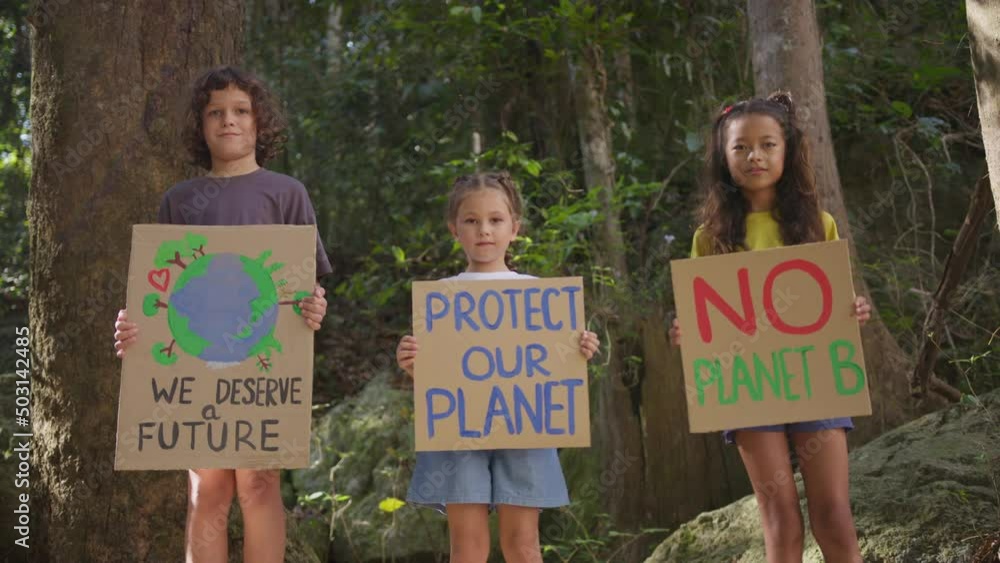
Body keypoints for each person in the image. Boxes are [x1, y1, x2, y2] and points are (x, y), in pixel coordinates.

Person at [112, 66, 331, 563]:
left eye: (241, 111)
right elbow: (160, 285)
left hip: (262, 361)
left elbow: (304, 284)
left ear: (260, 123)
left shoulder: (286, 192)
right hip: (197, 363)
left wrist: (315, 306)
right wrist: (132, 328)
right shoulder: (179, 200)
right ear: (200, 126)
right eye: (216, 113)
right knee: (208, 489)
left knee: (258, 483)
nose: (228, 121)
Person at [669, 92, 870, 563]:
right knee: (778, 516)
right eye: (740, 147)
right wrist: (689, 334)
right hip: (749, 389)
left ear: (787, 150)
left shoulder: (817, 225)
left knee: (835, 513)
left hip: (815, 379)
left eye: (767, 145)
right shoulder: (709, 238)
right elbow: (707, 317)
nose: (754, 156)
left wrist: (852, 312)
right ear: (723, 156)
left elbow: (832, 304)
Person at [395, 171, 600, 563]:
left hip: (526, 430)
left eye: (495, 220)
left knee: (523, 546)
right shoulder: (441, 298)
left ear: (514, 227)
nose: (484, 230)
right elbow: (440, 377)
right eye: (471, 221)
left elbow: (552, 370)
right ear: (454, 229)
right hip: (459, 433)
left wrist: (579, 351)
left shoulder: (539, 294)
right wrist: (413, 365)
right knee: (468, 548)